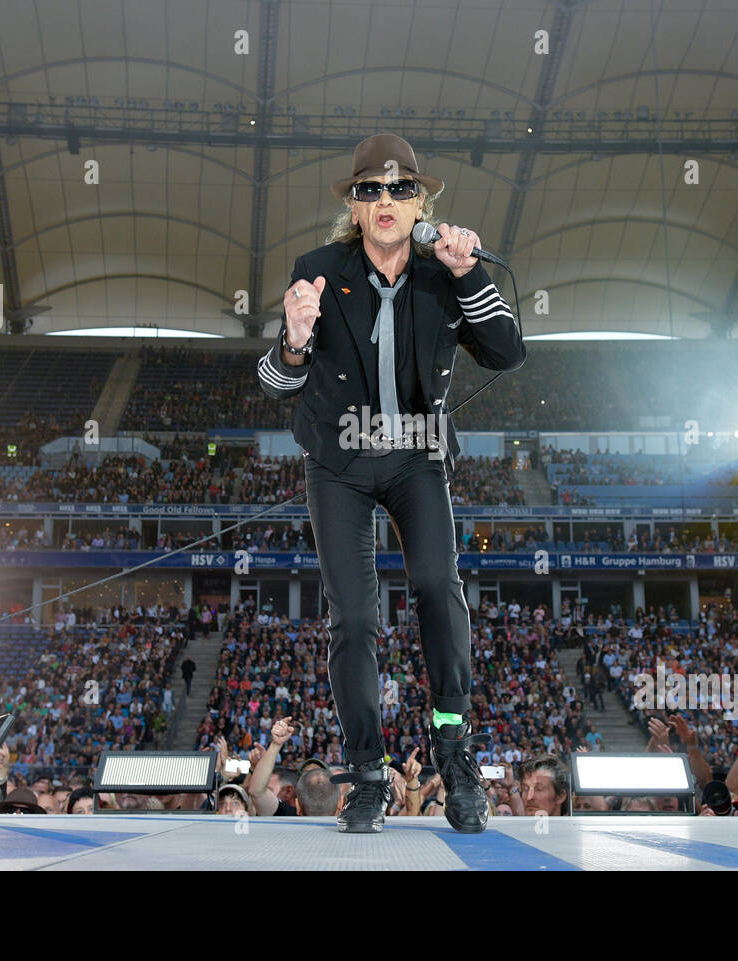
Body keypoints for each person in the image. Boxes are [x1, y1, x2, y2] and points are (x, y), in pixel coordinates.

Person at [257, 133, 525, 835]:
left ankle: (454, 748)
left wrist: (470, 275)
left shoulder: (444, 273)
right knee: (354, 616)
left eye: (400, 189)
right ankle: (369, 772)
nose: (385, 200)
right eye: (370, 190)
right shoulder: (318, 270)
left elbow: (507, 351)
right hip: (338, 464)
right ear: (352, 203)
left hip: (415, 457)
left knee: (439, 585)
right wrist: (291, 340)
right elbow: (275, 382)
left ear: (422, 203)